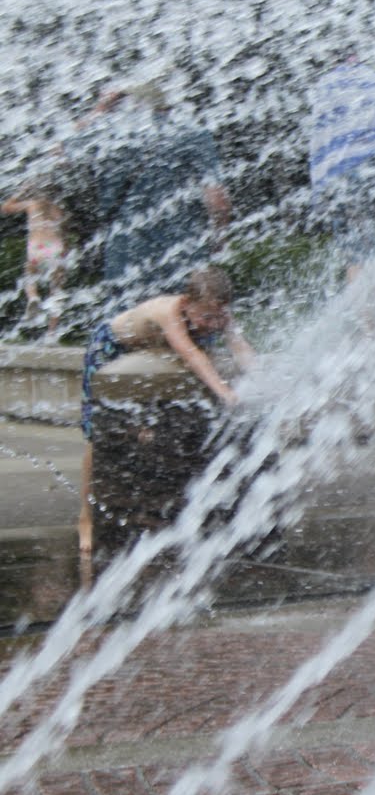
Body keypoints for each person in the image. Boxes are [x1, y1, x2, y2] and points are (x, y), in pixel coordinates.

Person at [78, 266, 254, 555]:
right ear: (186, 302)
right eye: (205, 317)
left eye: (218, 315)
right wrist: (225, 393)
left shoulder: (217, 314)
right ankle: (86, 518)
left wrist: (260, 381)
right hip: (114, 351)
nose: (212, 323)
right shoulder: (168, 312)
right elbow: (191, 355)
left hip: (158, 358)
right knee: (95, 435)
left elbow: (241, 348)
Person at [73, 84, 231, 312]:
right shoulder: (192, 134)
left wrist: (101, 109)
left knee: (126, 323)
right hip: (183, 246)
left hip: (125, 247)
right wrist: (219, 236)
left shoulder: (111, 133)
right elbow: (218, 201)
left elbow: (60, 149)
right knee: (184, 318)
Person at [307, 51, 375, 282]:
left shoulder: (323, 87)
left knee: (356, 256)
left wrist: (319, 192)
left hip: (339, 178)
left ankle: (369, 318)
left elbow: (319, 144)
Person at [2, 174, 68, 337]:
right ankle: (51, 333)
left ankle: (33, 296)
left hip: (36, 248)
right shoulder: (58, 209)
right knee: (56, 291)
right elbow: (64, 233)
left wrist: (22, 190)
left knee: (29, 277)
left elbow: (5, 207)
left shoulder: (32, 204)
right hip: (55, 249)